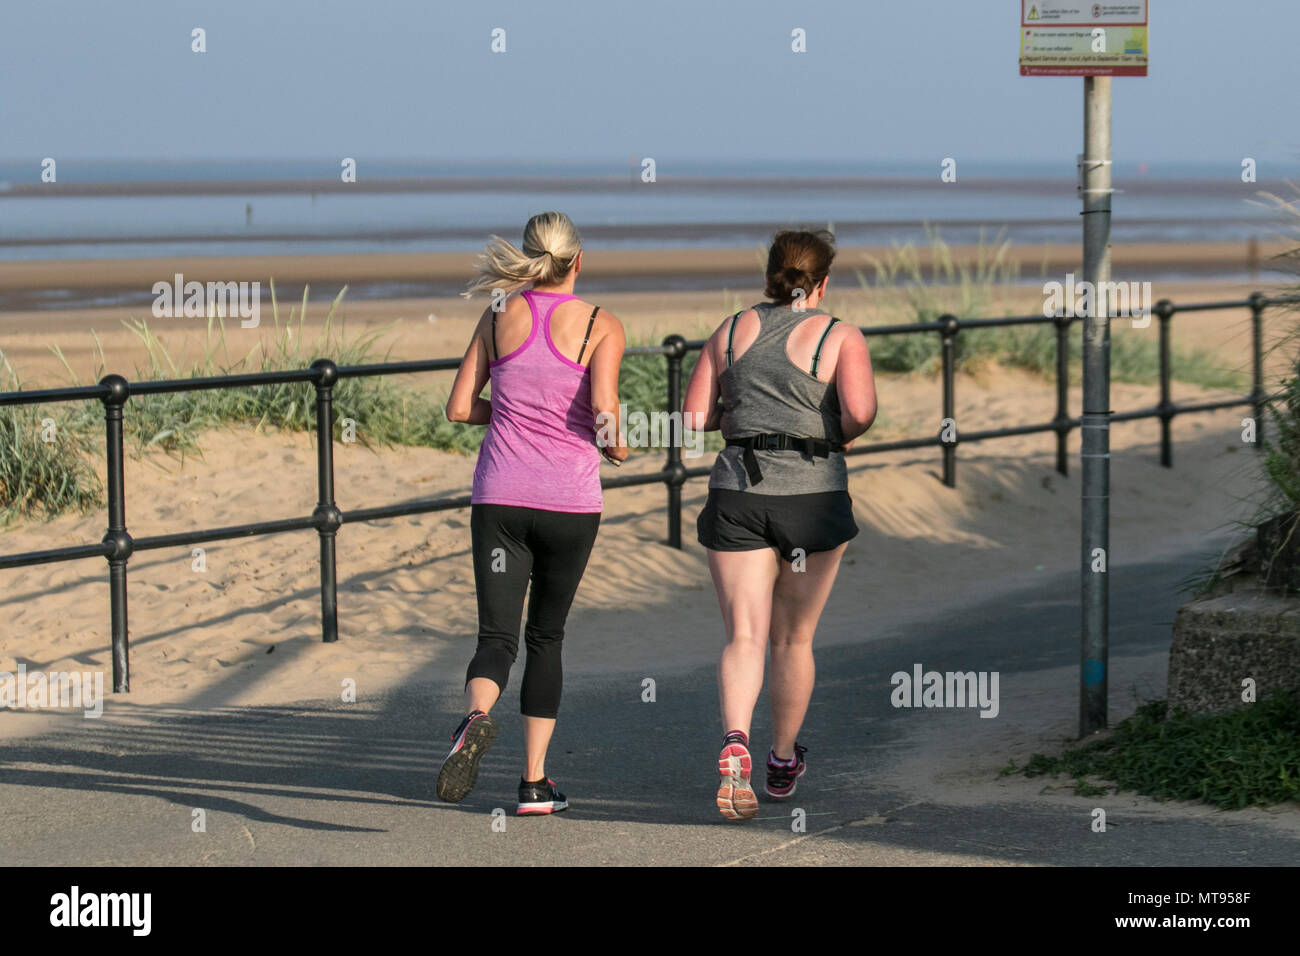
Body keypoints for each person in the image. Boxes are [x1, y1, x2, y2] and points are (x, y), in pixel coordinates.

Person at [683, 229, 877, 821]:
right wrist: (835, 431)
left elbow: (694, 418)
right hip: (812, 497)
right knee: (792, 638)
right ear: (821, 282)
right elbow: (861, 411)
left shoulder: (731, 330)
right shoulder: (839, 335)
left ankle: (735, 743)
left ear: (769, 275)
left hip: (739, 490)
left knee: (743, 636)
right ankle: (782, 758)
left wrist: (732, 415)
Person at [438, 211, 628, 815]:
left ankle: (473, 720)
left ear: (528, 258)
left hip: (500, 499)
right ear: (578, 260)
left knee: (497, 636)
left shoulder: (497, 313)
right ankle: (534, 784)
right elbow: (604, 415)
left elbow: (458, 407)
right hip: (569, 505)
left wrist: (514, 413)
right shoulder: (601, 324)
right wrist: (618, 446)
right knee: (546, 636)